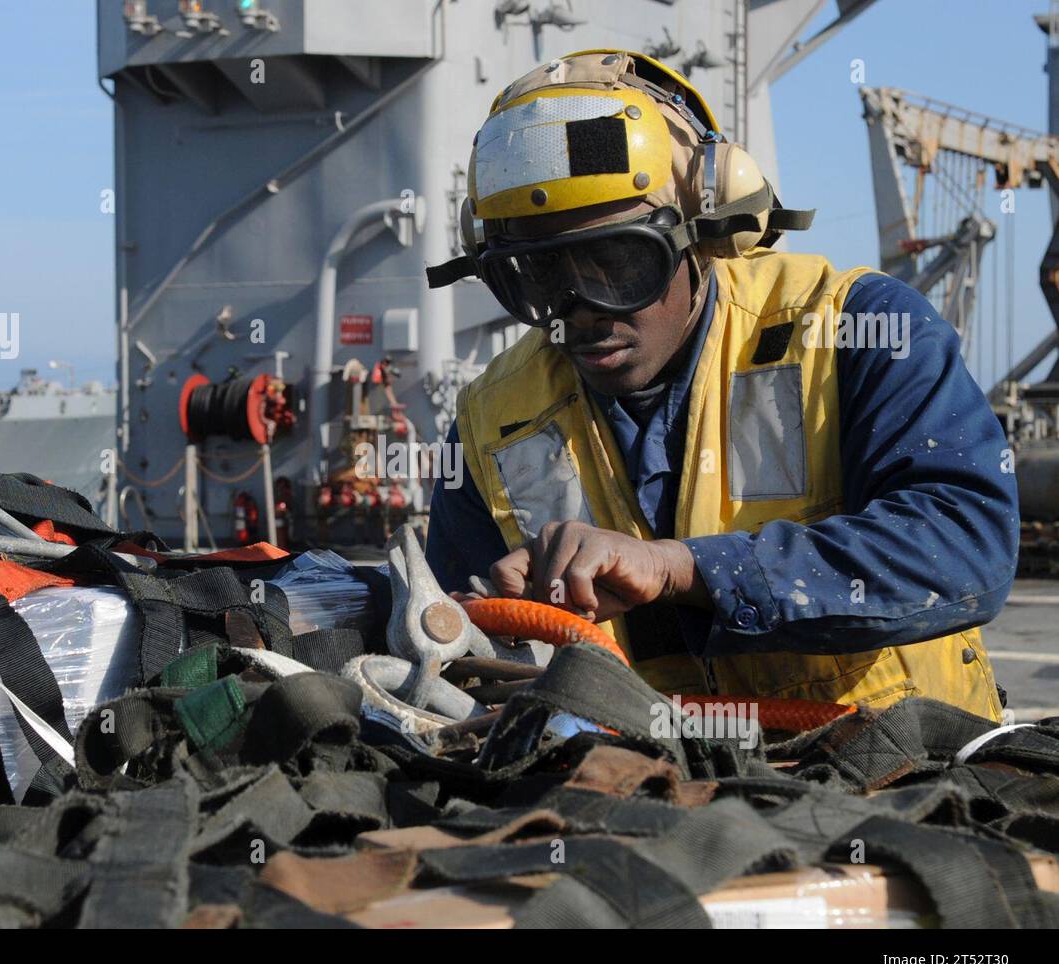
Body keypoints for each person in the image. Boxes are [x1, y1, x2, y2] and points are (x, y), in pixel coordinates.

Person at [424, 50, 1016, 720]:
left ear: (708, 232)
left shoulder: (854, 326)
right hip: (643, 797)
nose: (580, 311)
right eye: (535, 277)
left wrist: (684, 569)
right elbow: (467, 655)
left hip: (898, 780)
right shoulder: (491, 418)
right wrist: (494, 625)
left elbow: (967, 546)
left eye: (618, 265)